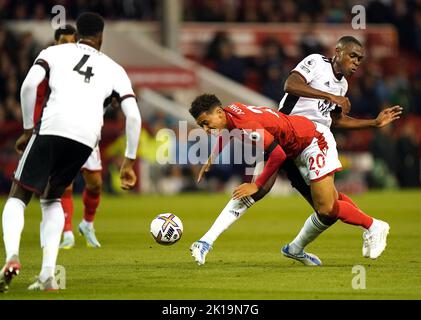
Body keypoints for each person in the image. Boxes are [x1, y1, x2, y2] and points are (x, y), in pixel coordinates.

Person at [191, 36, 402, 266]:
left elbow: (334, 121)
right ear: (338, 51)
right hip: (289, 134)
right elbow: (290, 85)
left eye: (360, 59)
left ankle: (367, 227)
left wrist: (373, 123)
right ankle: (208, 242)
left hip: (311, 139)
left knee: (326, 208)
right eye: (352, 56)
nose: (356, 62)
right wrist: (329, 96)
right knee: (321, 206)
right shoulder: (316, 63)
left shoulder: (342, 86)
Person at [0, 12, 141, 292]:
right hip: (85, 140)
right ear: (101, 37)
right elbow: (134, 117)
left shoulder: (55, 52)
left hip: (52, 128)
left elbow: (28, 86)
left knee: (19, 195)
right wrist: (129, 161)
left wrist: (28, 129)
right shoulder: (115, 69)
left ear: (77, 34)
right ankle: (48, 275)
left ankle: (12, 255)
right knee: (52, 199)